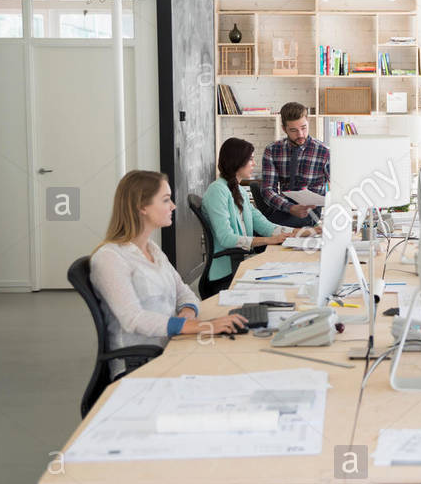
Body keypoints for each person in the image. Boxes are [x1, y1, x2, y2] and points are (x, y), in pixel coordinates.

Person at [90, 170, 246, 371]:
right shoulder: (109, 258)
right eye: (165, 200)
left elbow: (185, 292)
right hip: (141, 365)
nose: (173, 206)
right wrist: (197, 326)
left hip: (175, 346)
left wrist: (188, 313)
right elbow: (133, 319)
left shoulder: (152, 249)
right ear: (141, 207)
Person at [202, 138, 309, 284]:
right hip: (227, 271)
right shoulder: (217, 191)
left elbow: (266, 227)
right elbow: (226, 238)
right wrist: (268, 240)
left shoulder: (239, 191)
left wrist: (307, 232)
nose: (254, 164)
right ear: (237, 161)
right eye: (250, 159)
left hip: (241, 262)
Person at [259, 102, 330, 227]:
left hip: (310, 211)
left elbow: (340, 187)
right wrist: (290, 207)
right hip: (283, 207)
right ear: (284, 129)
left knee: (278, 229)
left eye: (303, 128)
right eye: (293, 130)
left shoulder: (324, 152)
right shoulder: (272, 150)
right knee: (263, 228)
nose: (300, 134)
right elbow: (267, 190)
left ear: (308, 122)